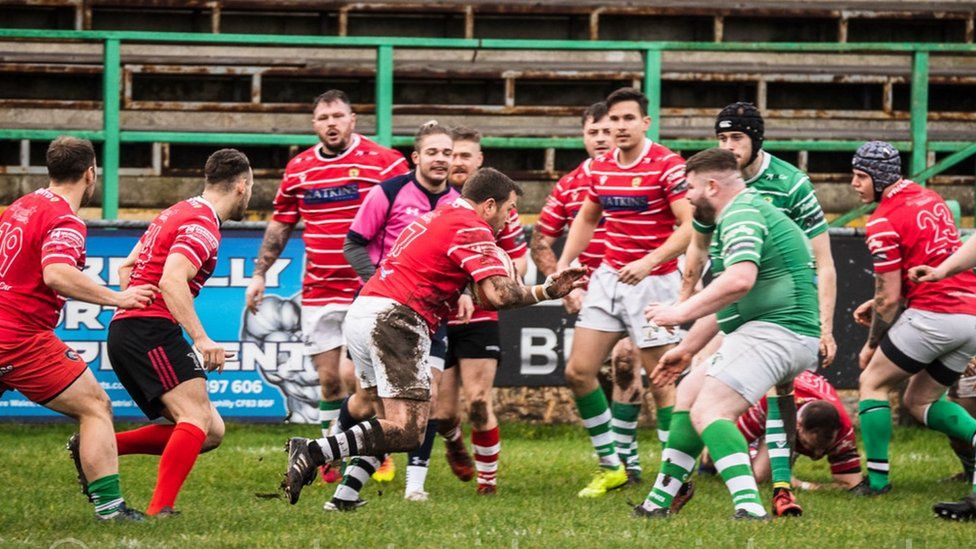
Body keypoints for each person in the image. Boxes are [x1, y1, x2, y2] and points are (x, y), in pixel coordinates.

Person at [281, 168, 587, 508]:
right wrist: (546, 291)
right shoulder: (472, 227)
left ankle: (344, 497)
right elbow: (500, 296)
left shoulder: (441, 215)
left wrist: (536, 288)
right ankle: (313, 450)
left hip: (367, 310)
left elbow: (485, 296)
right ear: (489, 205)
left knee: (384, 419)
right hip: (397, 319)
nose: (508, 217)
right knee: (409, 429)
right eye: (509, 208)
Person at [635, 148, 820, 521]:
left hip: (779, 332)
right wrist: (687, 349)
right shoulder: (743, 211)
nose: (686, 197)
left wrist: (679, 310)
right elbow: (731, 302)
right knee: (688, 393)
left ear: (712, 186)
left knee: (710, 410)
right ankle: (658, 501)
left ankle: (749, 508)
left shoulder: (741, 214)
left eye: (690, 188)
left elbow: (739, 281)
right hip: (769, 329)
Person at [677, 102, 838, 514]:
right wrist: (684, 303)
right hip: (731, 307)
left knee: (777, 394)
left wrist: (826, 326)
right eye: (723, 138)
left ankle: (778, 488)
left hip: (778, 315)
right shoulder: (712, 183)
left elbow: (823, 261)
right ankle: (676, 482)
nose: (729, 146)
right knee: (692, 384)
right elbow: (696, 253)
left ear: (756, 139)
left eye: (737, 138)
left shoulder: (791, 184)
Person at [0, 136, 156, 521]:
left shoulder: (21, 206)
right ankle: (111, 508)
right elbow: (57, 274)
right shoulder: (65, 220)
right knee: (95, 406)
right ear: (91, 173)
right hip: (19, 336)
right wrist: (118, 298)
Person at [245, 89, 409, 448]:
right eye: (323, 118)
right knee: (329, 381)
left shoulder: (386, 162)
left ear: (353, 119)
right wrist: (259, 274)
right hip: (319, 288)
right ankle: (328, 455)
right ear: (314, 125)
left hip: (369, 288)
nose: (331, 124)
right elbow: (281, 223)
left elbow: (411, 214)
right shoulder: (300, 168)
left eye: (338, 116)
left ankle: (375, 449)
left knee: (361, 379)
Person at [556, 88, 692, 497]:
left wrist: (650, 261)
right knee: (578, 372)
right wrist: (565, 263)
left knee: (662, 380)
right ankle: (611, 466)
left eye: (628, 119)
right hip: (609, 279)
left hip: (654, 283)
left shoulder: (668, 166)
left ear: (645, 123)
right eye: (614, 120)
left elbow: (689, 227)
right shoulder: (600, 166)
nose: (619, 127)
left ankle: (675, 476)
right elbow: (587, 217)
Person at [107, 148, 254, 516]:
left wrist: (135, 305)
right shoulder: (203, 225)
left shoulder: (176, 211)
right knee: (196, 419)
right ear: (241, 186)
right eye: (250, 188)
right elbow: (172, 279)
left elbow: (127, 267)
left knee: (211, 431)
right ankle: (161, 509)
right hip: (149, 329)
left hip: (133, 328)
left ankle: (99, 444)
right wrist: (201, 339)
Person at [531, 101, 666, 483]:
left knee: (628, 363)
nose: (603, 138)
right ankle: (617, 462)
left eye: (609, 130)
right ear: (584, 136)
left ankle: (629, 461)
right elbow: (541, 239)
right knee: (585, 371)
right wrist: (561, 282)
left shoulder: (653, 169)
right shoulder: (572, 183)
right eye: (595, 132)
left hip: (645, 283)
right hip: (593, 289)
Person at [330, 121, 457, 506]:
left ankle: (414, 485)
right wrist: (384, 282)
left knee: (427, 396)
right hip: (382, 310)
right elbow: (353, 245)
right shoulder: (388, 192)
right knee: (371, 403)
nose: (441, 159)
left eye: (447, 153)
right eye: (433, 152)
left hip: (431, 315)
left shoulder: (458, 204)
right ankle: (334, 444)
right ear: (416, 157)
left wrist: (464, 291)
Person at [868, 150, 976, 519]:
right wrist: (937, 275)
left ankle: (877, 481)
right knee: (920, 400)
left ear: (878, 179)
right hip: (970, 313)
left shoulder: (882, 219)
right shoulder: (929, 197)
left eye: (859, 176)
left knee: (872, 380)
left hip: (936, 315)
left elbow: (888, 298)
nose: (852, 184)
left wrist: (871, 343)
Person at [435, 126, 529, 495]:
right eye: (451, 155)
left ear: (479, 163)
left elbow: (518, 265)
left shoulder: (501, 209)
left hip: (481, 316)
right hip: (438, 317)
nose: (456, 162)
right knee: (442, 414)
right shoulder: (437, 206)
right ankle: (452, 438)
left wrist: (480, 288)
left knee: (477, 400)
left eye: (465, 156)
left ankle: (487, 484)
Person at [699, 371, 861, 491]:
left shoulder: (844, 430)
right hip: (774, 401)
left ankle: (783, 452)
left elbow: (852, 484)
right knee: (752, 473)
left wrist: (806, 486)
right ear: (798, 426)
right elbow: (730, 444)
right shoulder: (767, 407)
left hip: (804, 389)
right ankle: (753, 447)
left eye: (825, 447)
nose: (817, 455)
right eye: (809, 445)